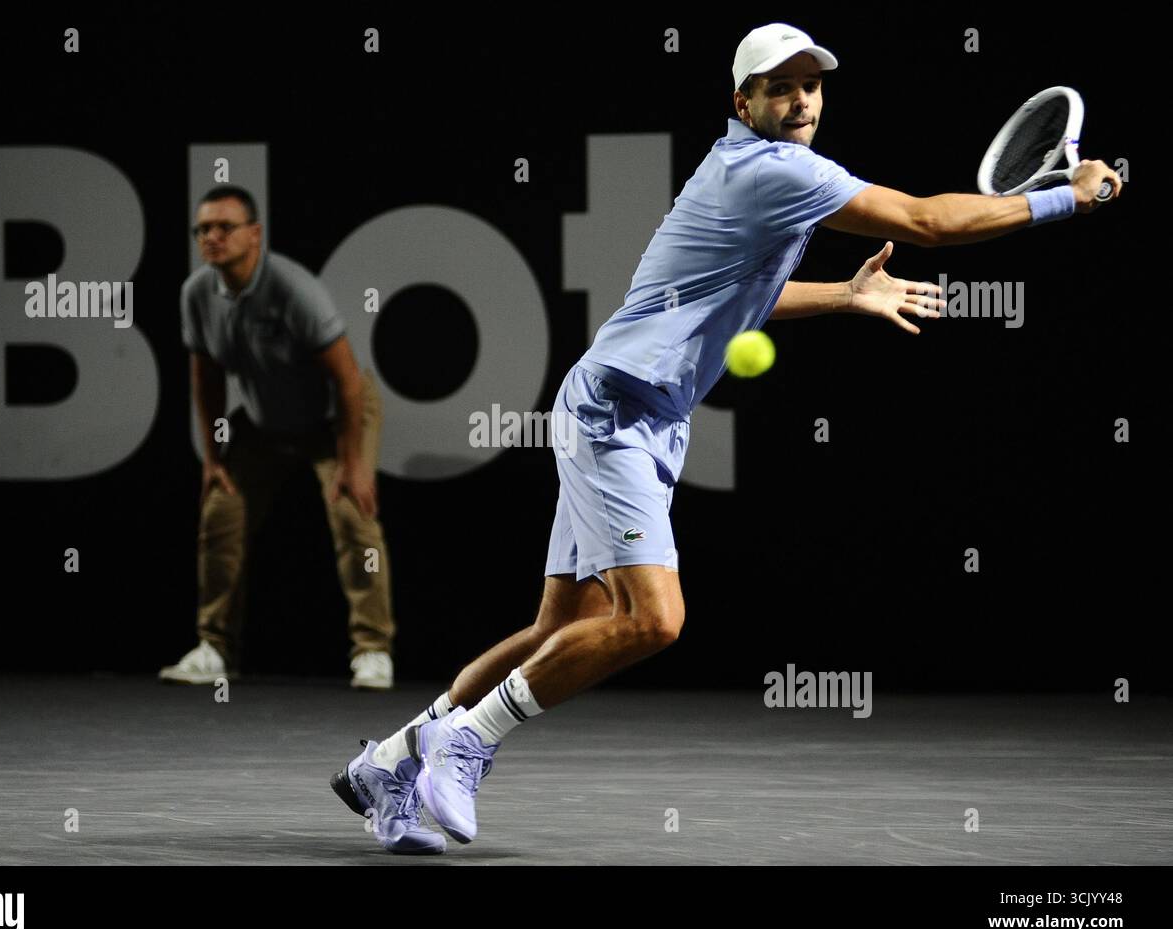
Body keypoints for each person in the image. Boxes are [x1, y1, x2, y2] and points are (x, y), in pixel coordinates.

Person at [330, 23, 1123, 853]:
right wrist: (1077, 196)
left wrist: (844, 299)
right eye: (780, 87)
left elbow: (740, 298)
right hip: (613, 414)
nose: (801, 98)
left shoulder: (743, 175)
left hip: (619, 408)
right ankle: (464, 742)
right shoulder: (776, 171)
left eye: (811, 83)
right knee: (655, 620)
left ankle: (388, 762)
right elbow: (930, 221)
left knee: (556, 630)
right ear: (742, 103)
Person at [161, 186, 399, 690]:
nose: (212, 237)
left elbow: (347, 380)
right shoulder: (196, 294)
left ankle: (373, 651)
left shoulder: (294, 289)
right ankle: (214, 649)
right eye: (203, 229)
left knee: (352, 514)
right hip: (265, 425)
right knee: (220, 512)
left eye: (224, 226)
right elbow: (205, 378)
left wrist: (353, 461)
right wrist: (211, 458)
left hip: (337, 418)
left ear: (254, 234)